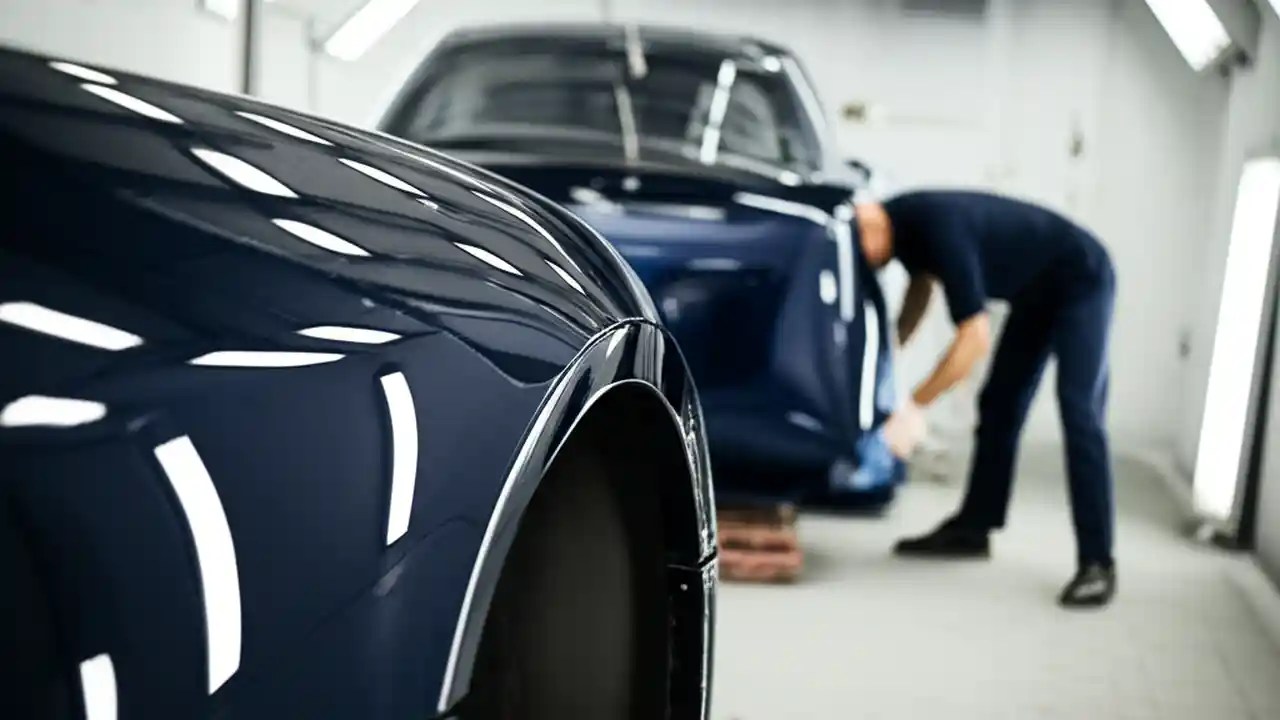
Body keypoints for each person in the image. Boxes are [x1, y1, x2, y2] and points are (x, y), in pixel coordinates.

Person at [857, 190, 1117, 609]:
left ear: (869, 225)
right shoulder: (901, 224)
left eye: (862, 257)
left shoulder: (936, 224)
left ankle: (1098, 563)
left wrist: (913, 408)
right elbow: (920, 288)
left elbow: (973, 339)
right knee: (999, 405)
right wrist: (887, 357)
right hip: (1036, 294)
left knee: (1080, 410)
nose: (865, 266)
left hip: (1082, 277)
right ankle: (974, 528)